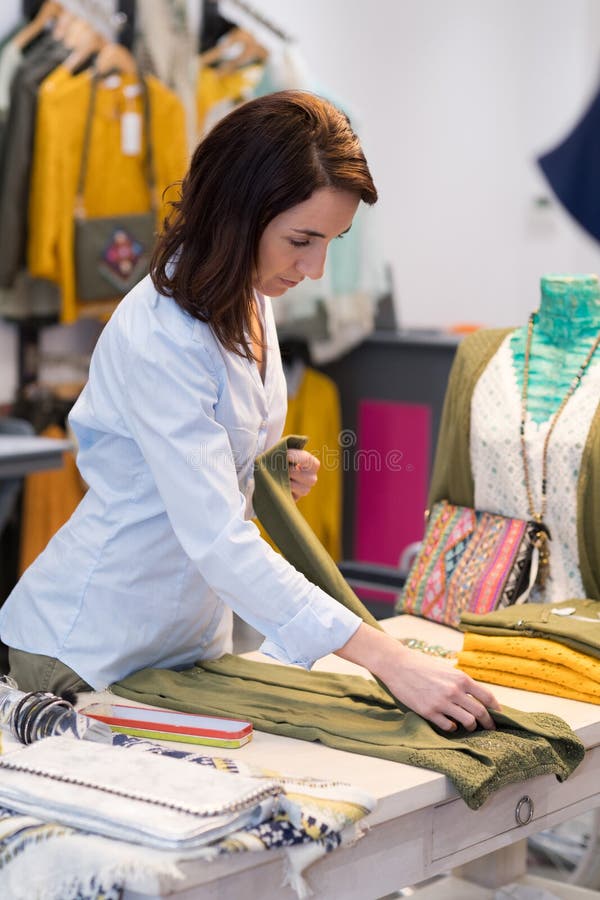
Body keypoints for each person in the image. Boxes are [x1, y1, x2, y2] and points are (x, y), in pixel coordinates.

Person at [0, 91, 498, 732]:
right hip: (89, 650)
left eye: (331, 242)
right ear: (237, 213)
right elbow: (216, 537)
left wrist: (262, 474)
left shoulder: (250, 296)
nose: (315, 268)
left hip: (181, 649)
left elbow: (206, 465)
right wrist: (387, 658)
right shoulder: (161, 334)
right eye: (301, 240)